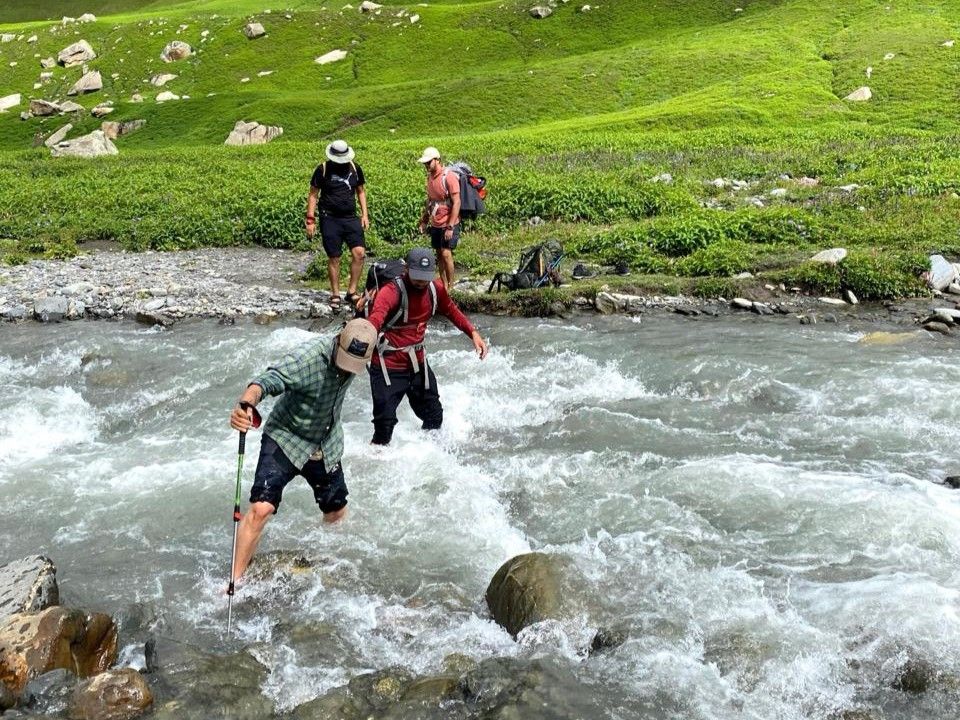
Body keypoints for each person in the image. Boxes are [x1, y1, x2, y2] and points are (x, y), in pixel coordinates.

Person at [227, 318, 377, 582]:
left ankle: (326, 564)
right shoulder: (307, 358)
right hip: (286, 438)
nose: (347, 369)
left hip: (325, 443)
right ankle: (234, 581)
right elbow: (266, 381)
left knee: (336, 511)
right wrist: (245, 405)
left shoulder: (364, 345)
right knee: (261, 508)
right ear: (338, 340)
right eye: (345, 360)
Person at [366, 247, 488, 445]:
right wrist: (364, 337)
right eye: (417, 277)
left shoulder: (435, 289)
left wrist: (472, 332)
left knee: (434, 416)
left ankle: (428, 453)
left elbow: (451, 310)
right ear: (406, 270)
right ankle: (377, 456)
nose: (421, 282)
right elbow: (376, 318)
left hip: (418, 365)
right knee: (384, 426)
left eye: (425, 277)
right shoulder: (391, 292)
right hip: (388, 366)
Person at [306, 139, 369, 312]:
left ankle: (351, 291)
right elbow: (313, 194)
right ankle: (335, 293)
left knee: (359, 253)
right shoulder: (322, 169)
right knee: (334, 257)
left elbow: (361, 191)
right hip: (329, 218)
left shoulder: (355, 168)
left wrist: (364, 214)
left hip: (350, 217)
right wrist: (310, 219)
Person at [418, 146, 459, 290]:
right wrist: (424, 220)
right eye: (425, 163)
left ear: (437, 160)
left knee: (446, 253)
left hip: (449, 222)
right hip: (436, 222)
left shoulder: (449, 177)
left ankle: (451, 287)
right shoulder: (430, 177)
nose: (426, 165)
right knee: (439, 254)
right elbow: (430, 201)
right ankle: (444, 285)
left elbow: (457, 202)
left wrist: (450, 226)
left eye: (429, 162)